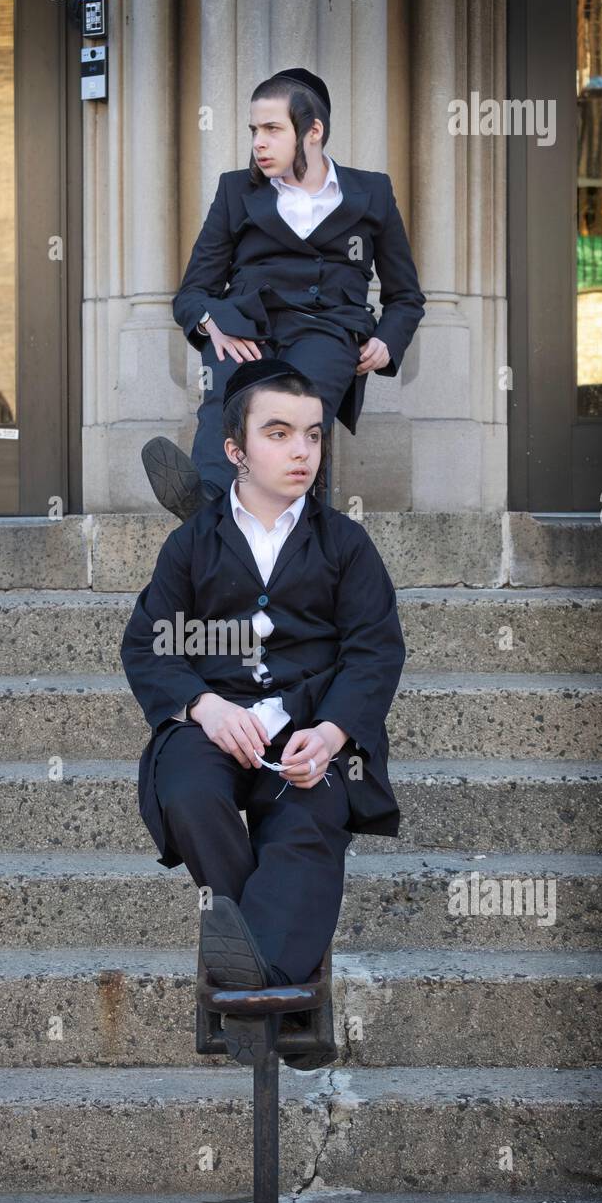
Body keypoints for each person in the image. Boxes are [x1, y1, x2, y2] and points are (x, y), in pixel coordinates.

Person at [121, 359, 406, 1068]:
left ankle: (262, 995)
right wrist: (205, 707)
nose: (302, 451)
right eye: (278, 434)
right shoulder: (193, 544)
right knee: (186, 789)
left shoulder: (346, 546)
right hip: (214, 727)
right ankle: (291, 1000)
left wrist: (336, 730)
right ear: (236, 451)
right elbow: (149, 645)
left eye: (312, 435)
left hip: (312, 732)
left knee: (310, 825)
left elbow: (376, 651)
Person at [142, 66, 425, 520]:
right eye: (255, 129)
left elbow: (406, 295)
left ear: (313, 131)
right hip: (246, 325)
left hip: (329, 329)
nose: (258, 142)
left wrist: (387, 341)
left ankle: (257, 516)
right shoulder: (236, 190)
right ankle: (208, 502)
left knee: (291, 405)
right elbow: (193, 292)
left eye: (272, 129)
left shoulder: (371, 192)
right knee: (230, 398)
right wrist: (212, 323)